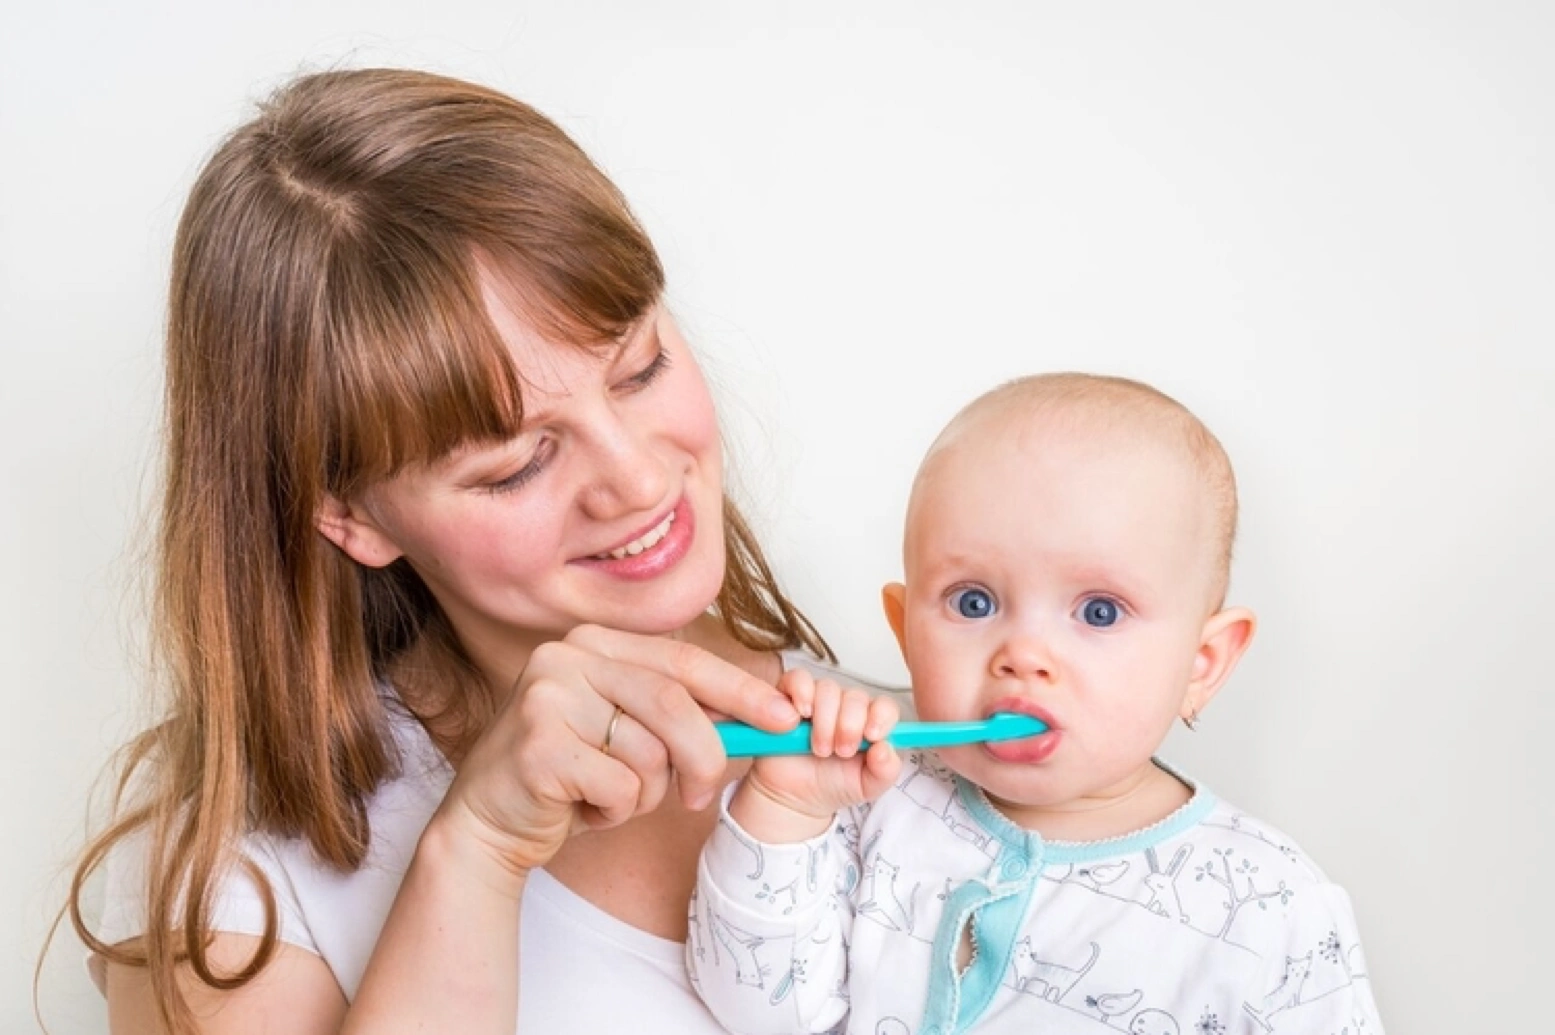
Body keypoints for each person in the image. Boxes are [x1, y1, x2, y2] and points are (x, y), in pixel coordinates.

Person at [67, 67, 888, 1035]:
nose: (633, 477)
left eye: (640, 367)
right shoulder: (247, 878)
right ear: (351, 517)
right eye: (516, 463)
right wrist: (478, 849)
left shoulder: (892, 748)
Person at [689, 373, 1386, 1034]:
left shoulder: (1269, 905)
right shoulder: (864, 800)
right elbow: (758, 1014)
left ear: (1201, 665)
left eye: (1100, 611)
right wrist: (785, 809)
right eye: (973, 601)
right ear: (907, 635)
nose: (1022, 652)